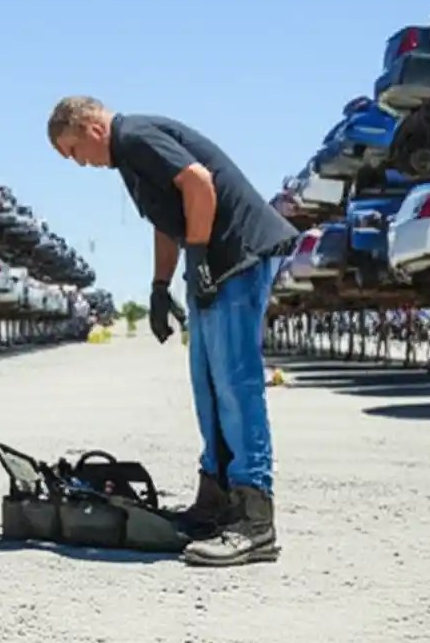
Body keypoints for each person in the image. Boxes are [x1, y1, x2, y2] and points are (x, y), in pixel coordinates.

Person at [47, 96, 298, 567]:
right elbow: (169, 220)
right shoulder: (129, 158)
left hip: (236, 258)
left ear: (89, 129)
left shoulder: (135, 136)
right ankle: (217, 502)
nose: (80, 163)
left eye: (74, 151)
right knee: (207, 384)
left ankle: (256, 522)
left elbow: (199, 184)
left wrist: (199, 258)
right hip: (213, 262)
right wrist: (161, 285)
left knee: (235, 384)